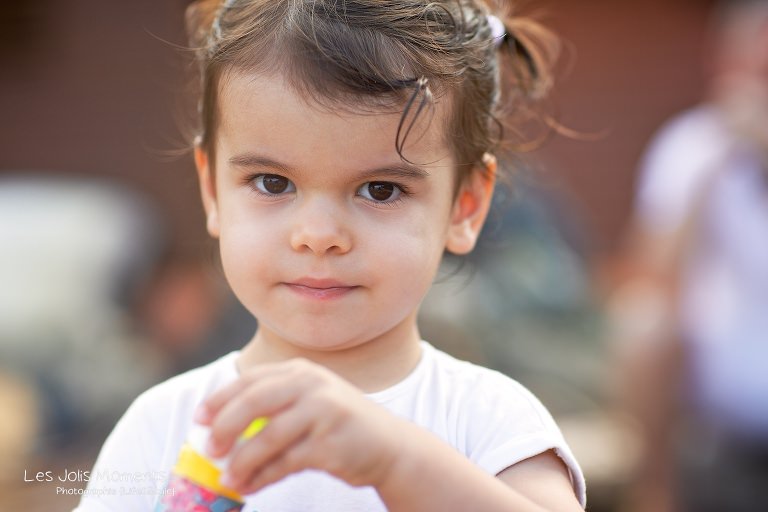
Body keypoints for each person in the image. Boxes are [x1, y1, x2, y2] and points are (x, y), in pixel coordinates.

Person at [75, 1, 585, 510]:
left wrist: (396, 462)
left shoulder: (486, 420)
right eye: (272, 183)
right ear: (212, 190)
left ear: (465, 206)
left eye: (381, 190)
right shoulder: (167, 424)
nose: (318, 236)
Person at [608, 1, 768, 511]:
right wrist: (718, 167)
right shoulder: (695, 145)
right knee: (643, 322)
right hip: (723, 390)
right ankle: (655, 497)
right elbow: (652, 274)